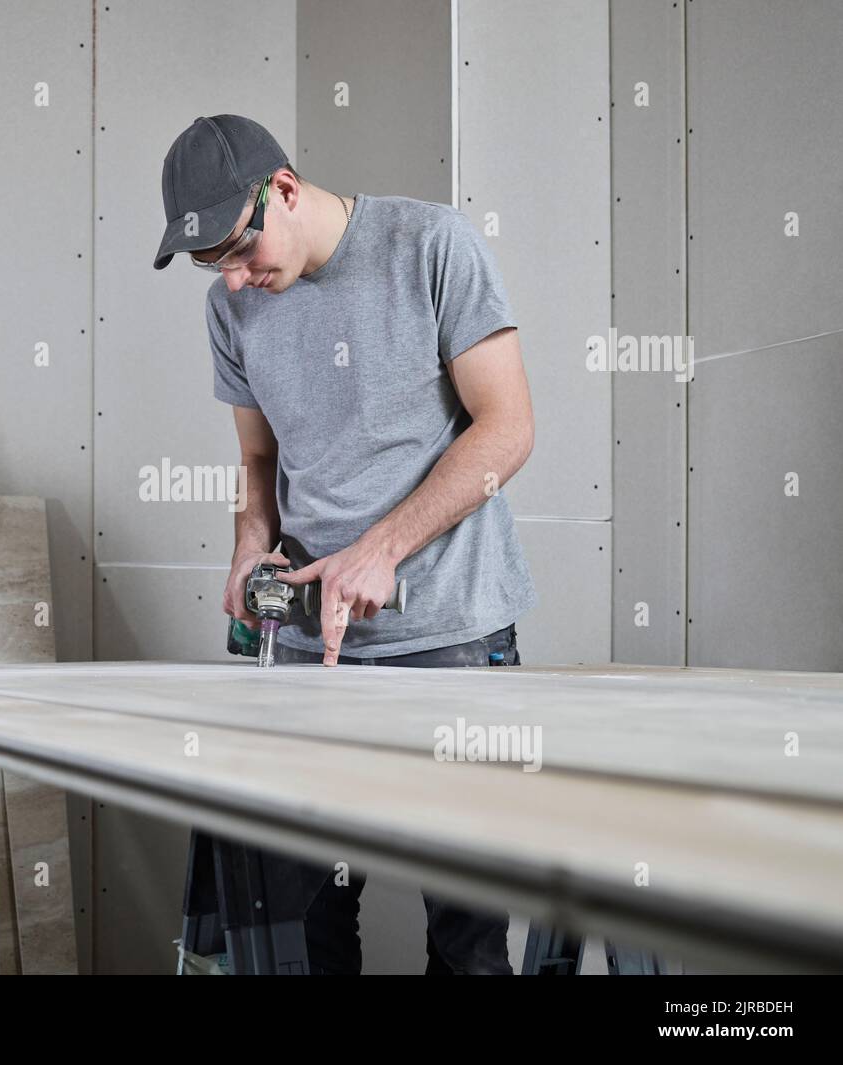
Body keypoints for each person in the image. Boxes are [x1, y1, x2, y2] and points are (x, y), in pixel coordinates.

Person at [154, 115, 538, 974]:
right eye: (214, 266)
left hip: (450, 637)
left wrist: (382, 547)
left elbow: (508, 429)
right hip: (310, 659)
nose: (239, 280)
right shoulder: (233, 305)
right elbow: (258, 461)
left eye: (243, 253)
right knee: (309, 936)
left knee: (468, 942)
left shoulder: (429, 245)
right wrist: (250, 544)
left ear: (283, 189)